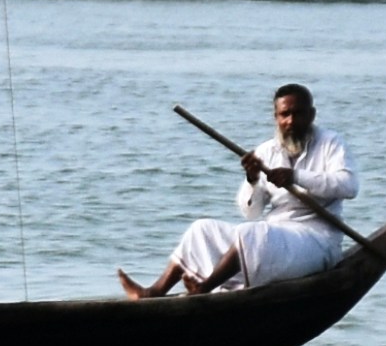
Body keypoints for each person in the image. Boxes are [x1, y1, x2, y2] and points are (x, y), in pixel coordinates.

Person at [121, 82, 354, 298]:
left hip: (317, 240)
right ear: (276, 117)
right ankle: (154, 292)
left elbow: (348, 186)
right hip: (278, 234)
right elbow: (251, 213)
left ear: (311, 115)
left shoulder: (330, 143)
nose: (291, 121)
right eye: (284, 115)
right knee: (201, 229)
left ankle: (204, 288)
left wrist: (296, 176)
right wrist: (252, 180)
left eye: (298, 114)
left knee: (251, 233)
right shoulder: (266, 151)